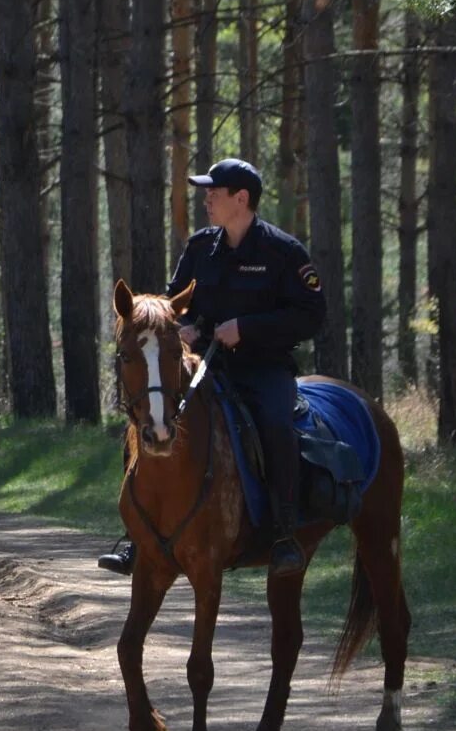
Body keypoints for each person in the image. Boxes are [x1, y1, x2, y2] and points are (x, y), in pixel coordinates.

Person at [98, 158, 326, 581]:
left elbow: (312, 316)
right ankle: (138, 536)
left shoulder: (284, 252)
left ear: (241, 199)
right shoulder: (201, 247)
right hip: (203, 367)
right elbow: (171, 306)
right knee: (145, 419)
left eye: (213, 192)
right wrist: (178, 330)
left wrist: (248, 328)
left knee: (277, 425)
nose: (206, 199)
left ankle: (284, 535)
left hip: (262, 369)